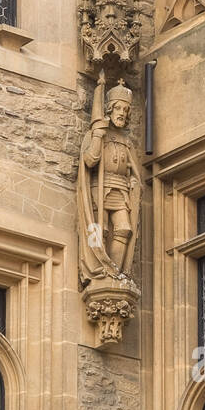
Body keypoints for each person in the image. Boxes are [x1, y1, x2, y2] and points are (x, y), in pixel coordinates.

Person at [77, 79, 142, 282]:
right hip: (100, 187)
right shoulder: (98, 134)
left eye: (126, 109)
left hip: (121, 189)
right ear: (109, 109)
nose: (122, 113)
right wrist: (97, 136)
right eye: (118, 108)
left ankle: (116, 271)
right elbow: (89, 160)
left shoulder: (126, 141)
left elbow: (135, 172)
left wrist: (134, 182)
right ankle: (101, 267)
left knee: (124, 229)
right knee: (100, 229)